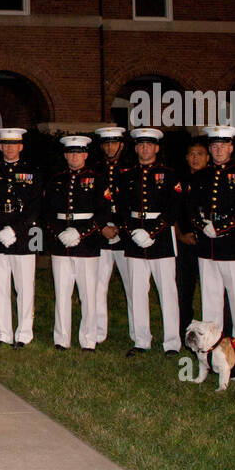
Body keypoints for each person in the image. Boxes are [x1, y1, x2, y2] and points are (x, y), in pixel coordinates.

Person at [188, 125, 235, 349]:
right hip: (207, 249)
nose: (218, 150)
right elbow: (190, 208)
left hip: (233, 247)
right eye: (214, 146)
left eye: (223, 145)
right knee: (210, 302)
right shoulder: (201, 176)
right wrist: (202, 225)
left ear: (231, 147)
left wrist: (221, 227)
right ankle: (212, 348)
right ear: (210, 149)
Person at [117, 128, 182, 357]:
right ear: (135, 148)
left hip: (162, 239)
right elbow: (122, 209)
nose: (144, 148)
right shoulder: (126, 175)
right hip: (135, 238)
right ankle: (141, 340)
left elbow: (175, 207)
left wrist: (152, 232)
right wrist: (133, 231)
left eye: (149, 145)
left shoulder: (170, 175)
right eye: (140, 145)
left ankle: (172, 342)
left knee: (167, 292)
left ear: (156, 148)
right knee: (137, 291)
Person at [0, 127, 41, 349]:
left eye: (14, 144)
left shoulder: (32, 172)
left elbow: (35, 207)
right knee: (0, 288)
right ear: (0, 147)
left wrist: (14, 230)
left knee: (24, 289)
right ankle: (3, 333)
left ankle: (24, 334)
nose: (9, 148)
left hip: (23, 237)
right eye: (5, 144)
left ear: (21, 147)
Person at [43, 135, 105, 352]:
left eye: (78, 152)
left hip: (86, 245)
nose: (74, 156)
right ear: (65, 155)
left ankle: (88, 339)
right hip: (61, 245)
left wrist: (81, 233)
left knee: (88, 294)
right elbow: (48, 212)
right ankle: (61, 338)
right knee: (61, 292)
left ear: (86, 155)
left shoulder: (97, 179)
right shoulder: (56, 179)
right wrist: (60, 232)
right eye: (70, 152)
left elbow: (103, 212)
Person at [93, 126, 134, 346]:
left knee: (132, 286)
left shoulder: (132, 169)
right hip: (101, 236)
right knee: (98, 286)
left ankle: (138, 333)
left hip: (126, 236)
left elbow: (133, 202)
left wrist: (121, 227)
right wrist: (102, 226)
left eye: (114, 143)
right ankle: (99, 332)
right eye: (106, 143)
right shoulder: (95, 170)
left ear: (122, 145)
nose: (110, 147)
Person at [176, 140, 210, 337]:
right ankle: (185, 333)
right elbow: (173, 212)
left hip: (208, 244)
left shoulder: (214, 180)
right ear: (187, 158)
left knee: (211, 292)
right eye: (192, 154)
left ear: (207, 157)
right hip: (184, 244)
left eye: (200, 154)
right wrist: (180, 235)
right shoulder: (180, 182)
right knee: (184, 291)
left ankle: (214, 332)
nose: (195, 158)